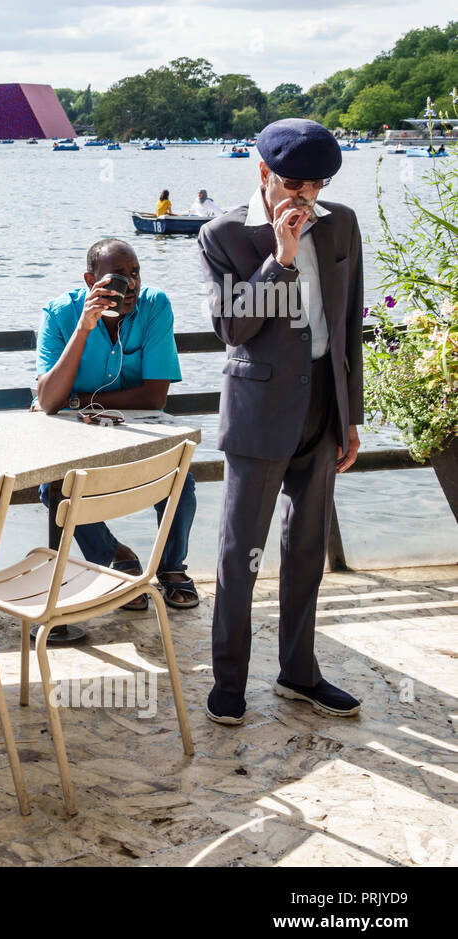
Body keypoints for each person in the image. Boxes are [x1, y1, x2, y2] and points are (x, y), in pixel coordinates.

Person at [198, 117, 364, 726]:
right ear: (262, 171)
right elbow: (233, 330)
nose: (305, 197)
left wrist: (352, 415)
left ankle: (300, 672)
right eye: (293, 181)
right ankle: (229, 680)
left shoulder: (342, 223)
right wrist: (282, 258)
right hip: (259, 413)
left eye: (316, 184)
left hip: (324, 404)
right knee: (240, 552)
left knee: (306, 549)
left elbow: (349, 327)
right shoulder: (222, 235)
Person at [34, 239, 198, 610]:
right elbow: (47, 401)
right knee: (55, 489)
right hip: (76, 438)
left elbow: (155, 397)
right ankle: (116, 559)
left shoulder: (154, 306)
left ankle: (172, 568)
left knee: (181, 480)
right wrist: (84, 328)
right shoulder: (61, 313)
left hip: (135, 433)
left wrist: (78, 401)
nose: (132, 284)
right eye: (118, 277)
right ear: (91, 280)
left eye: (135, 273)